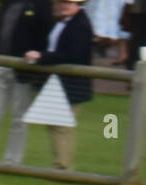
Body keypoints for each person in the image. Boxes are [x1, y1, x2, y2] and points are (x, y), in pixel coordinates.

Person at [0, 1, 52, 164]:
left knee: (19, 116)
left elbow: (44, 36)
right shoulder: (7, 2)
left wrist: (37, 65)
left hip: (24, 69)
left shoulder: (42, 4)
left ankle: (13, 161)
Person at [24, 0, 94, 169]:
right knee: (55, 123)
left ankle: (63, 167)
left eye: (69, 3)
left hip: (72, 83)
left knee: (62, 125)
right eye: (63, 2)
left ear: (78, 5)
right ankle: (61, 164)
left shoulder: (81, 25)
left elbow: (72, 55)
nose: (64, 6)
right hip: (57, 81)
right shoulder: (63, 22)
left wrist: (41, 57)